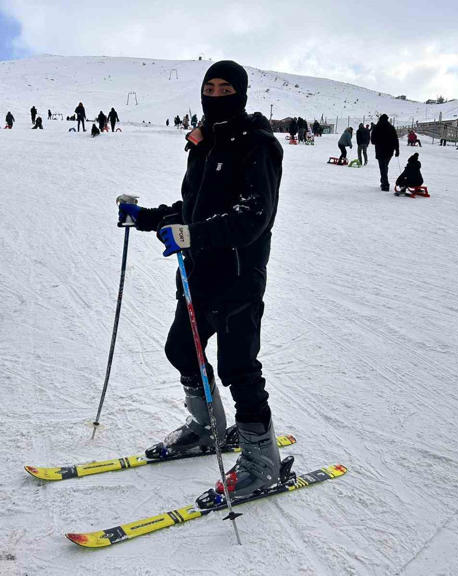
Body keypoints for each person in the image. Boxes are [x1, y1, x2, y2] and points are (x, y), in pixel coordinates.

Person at [117, 60, 284, 500]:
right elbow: (193, 209)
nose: (216, 95)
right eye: (210, 88)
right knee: (182, 351)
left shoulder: (258, 144)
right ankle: (208, 427)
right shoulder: (204, 142)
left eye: (225, 88)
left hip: (238, 275)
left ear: (240, 94)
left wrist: (191, 235)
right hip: (197, 273)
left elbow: (253, 216)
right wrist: (146, 218)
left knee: (238, 368)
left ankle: (262, 461)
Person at [370, 114, 399, 191]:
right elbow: (395, 139)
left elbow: (372, 141)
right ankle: (383, 181)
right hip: (389, 151)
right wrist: (397, 150)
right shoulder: (391, 128)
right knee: (385, 166)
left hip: (380, 150)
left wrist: (379, 141)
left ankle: (385, 184)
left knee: (382, 167)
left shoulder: (376, 127)